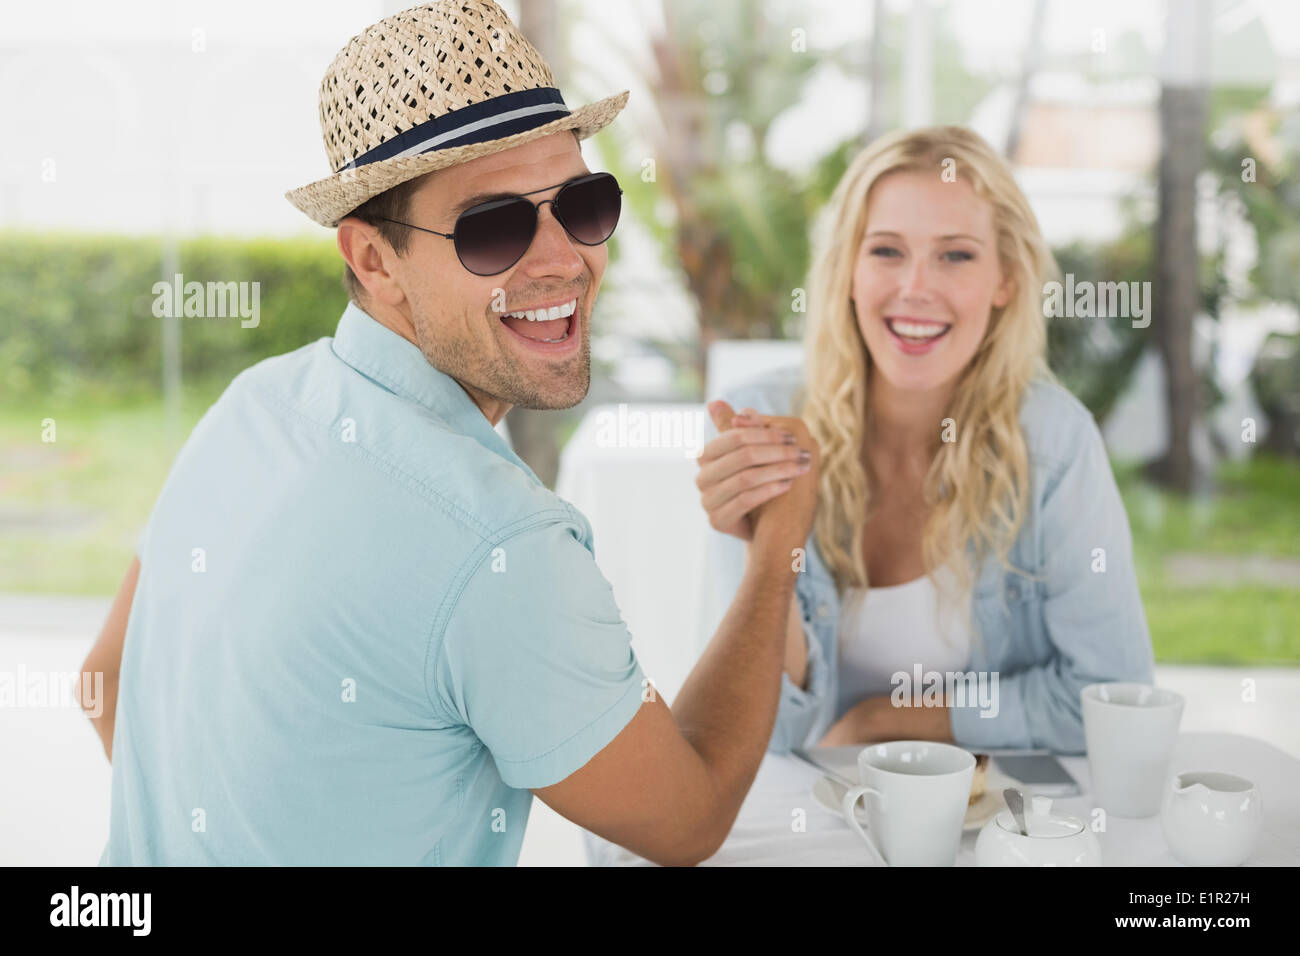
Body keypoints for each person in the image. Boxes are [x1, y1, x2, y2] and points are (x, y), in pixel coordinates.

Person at [81, 0, 819, 866]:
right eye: (493, 227)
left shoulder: (253, 405)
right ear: (372, 260)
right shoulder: (501, 547)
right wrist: (776, 557)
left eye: (582, 202)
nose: (560, 259)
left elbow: (105, 682)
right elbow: (686, 821)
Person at [695, 125, 1154, 756]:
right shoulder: (763, 423)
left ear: (1006, 280)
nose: (916, 288)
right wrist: (767, 553)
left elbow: (1110, 697)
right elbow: (770, 734)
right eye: (886, 251)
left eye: (956, 255)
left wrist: (890, 719)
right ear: (848, 272)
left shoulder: (1054, 444)